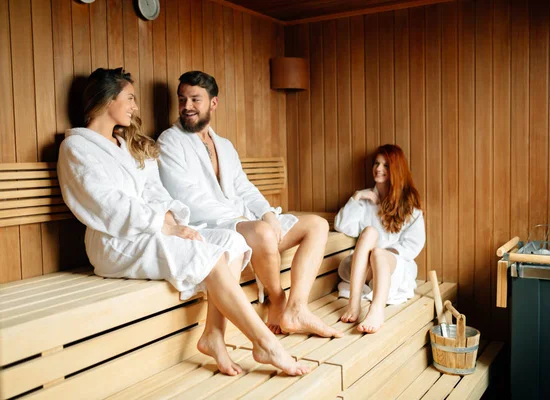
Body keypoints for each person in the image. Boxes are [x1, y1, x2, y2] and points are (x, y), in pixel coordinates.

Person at [57, 67, 309, 377]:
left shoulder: (128, 145)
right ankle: (266, 344)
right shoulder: (77, 149)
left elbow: (156, 192)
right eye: (130, 98)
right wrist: (167, 227)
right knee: (209, 255)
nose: (135, 107)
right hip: (115, 242)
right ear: (107, 100)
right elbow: (107, 206)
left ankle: (213, 335)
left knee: (231, 241)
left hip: (153, 231)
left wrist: (171, 221)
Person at [157, 71, 342, 338]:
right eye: (182, 99)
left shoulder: (224, 145)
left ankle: (297, 308)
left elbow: (244, 187)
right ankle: (277, 300)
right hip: (209, 226)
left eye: (195, 99)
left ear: (213, 103)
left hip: (243, 223)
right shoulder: (170, 141)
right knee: (263, 232)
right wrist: (243, 220)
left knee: (317, 224)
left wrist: (266, 212)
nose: (187, 107)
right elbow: (186, 198)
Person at [334, 144, 425, 333]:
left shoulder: (409, 206)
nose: (379, 168)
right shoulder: (365, 198)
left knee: (378, 253)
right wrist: (357, 197)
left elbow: (414, 244)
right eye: (377, 163)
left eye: (386, 165)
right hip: (364, 267)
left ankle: (376, 311)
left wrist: (383, 253)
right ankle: (354, 304)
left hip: (392, 265)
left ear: (396, 170)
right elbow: (342, 226)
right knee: (369, 233)